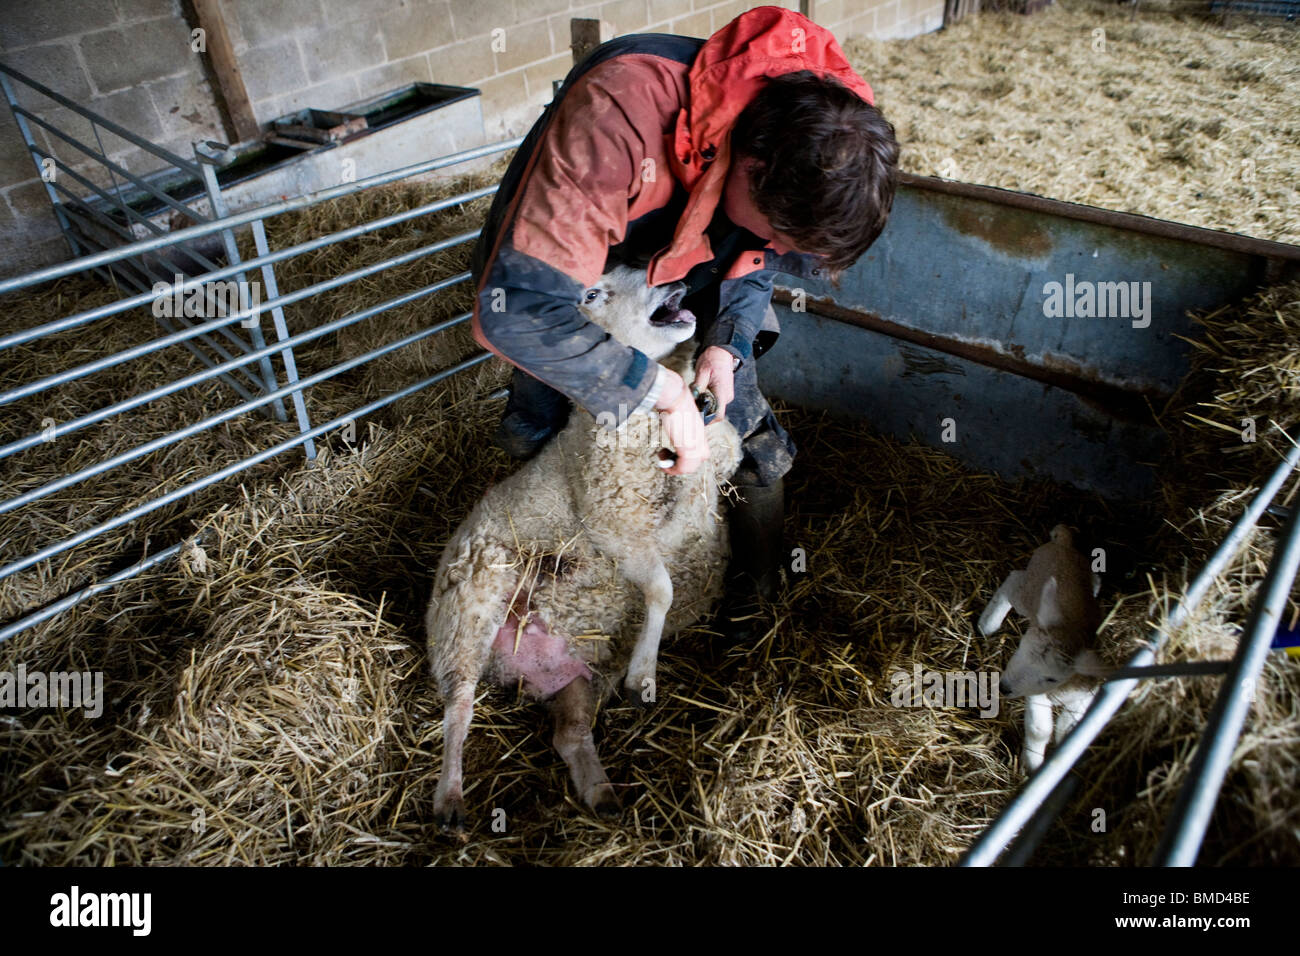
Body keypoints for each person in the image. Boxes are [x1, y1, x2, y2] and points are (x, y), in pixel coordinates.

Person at [470, 5, 899, 642]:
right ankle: (552, 584)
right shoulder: (621, 114)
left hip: (694, 260)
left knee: (745, 428)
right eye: (779, 230)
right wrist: (658, 390)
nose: (777, 243)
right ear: (751, 168)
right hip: (583, 282)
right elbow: (524, 308)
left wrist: (726, 345)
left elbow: (757, 251)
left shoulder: (826, 130)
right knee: (541, 418)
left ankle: (754, 597)